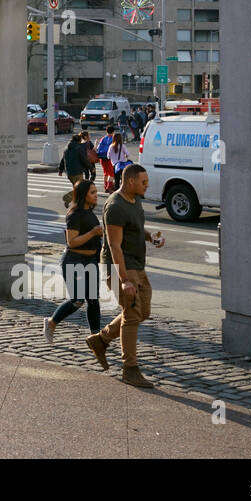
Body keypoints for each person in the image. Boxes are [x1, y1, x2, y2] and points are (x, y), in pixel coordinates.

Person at [84, 164, 162, 387]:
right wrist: (124, 280)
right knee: (132, 313)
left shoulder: (135, 200)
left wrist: (151, 237)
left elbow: (135, 229)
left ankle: (101, 339)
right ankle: (130, 369)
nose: (147, 185)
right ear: (130, 181)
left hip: (136, 264)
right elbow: (114, 245)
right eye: (144, 182)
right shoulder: (115, 207)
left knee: (143, 311)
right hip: (119, 267)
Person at [43, 179, 104, 343]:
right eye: (92, 192)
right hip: (74, 260)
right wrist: (93, 233)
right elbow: (72, 242)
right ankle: (51, 322)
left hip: (90, 260)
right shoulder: (74, 214)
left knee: (93, 299)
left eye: (96, 192)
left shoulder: (89, 212)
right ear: (83, 195)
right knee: (77, 300)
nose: (96, 195)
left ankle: (96, 337)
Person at [59, 132, 87, 205]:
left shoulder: (66, 149)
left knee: (76, 187)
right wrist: (91, 168)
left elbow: (62, 160)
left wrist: (60, 170)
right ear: (79, 140)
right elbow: (84, 160)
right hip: (77, 172)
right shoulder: (79, 148)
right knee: (80, 188)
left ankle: (77, 202)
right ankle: (68, 198)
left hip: (69, 173)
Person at [95, 126, 117, 193]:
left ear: (106, 131)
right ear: (113, 131)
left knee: (105, 173)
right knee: (111, 173)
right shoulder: (114, 138)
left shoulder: (103, 138)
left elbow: (98, 148)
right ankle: (109, 187)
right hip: (110, 158)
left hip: (102, 157)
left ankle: (105, 186)